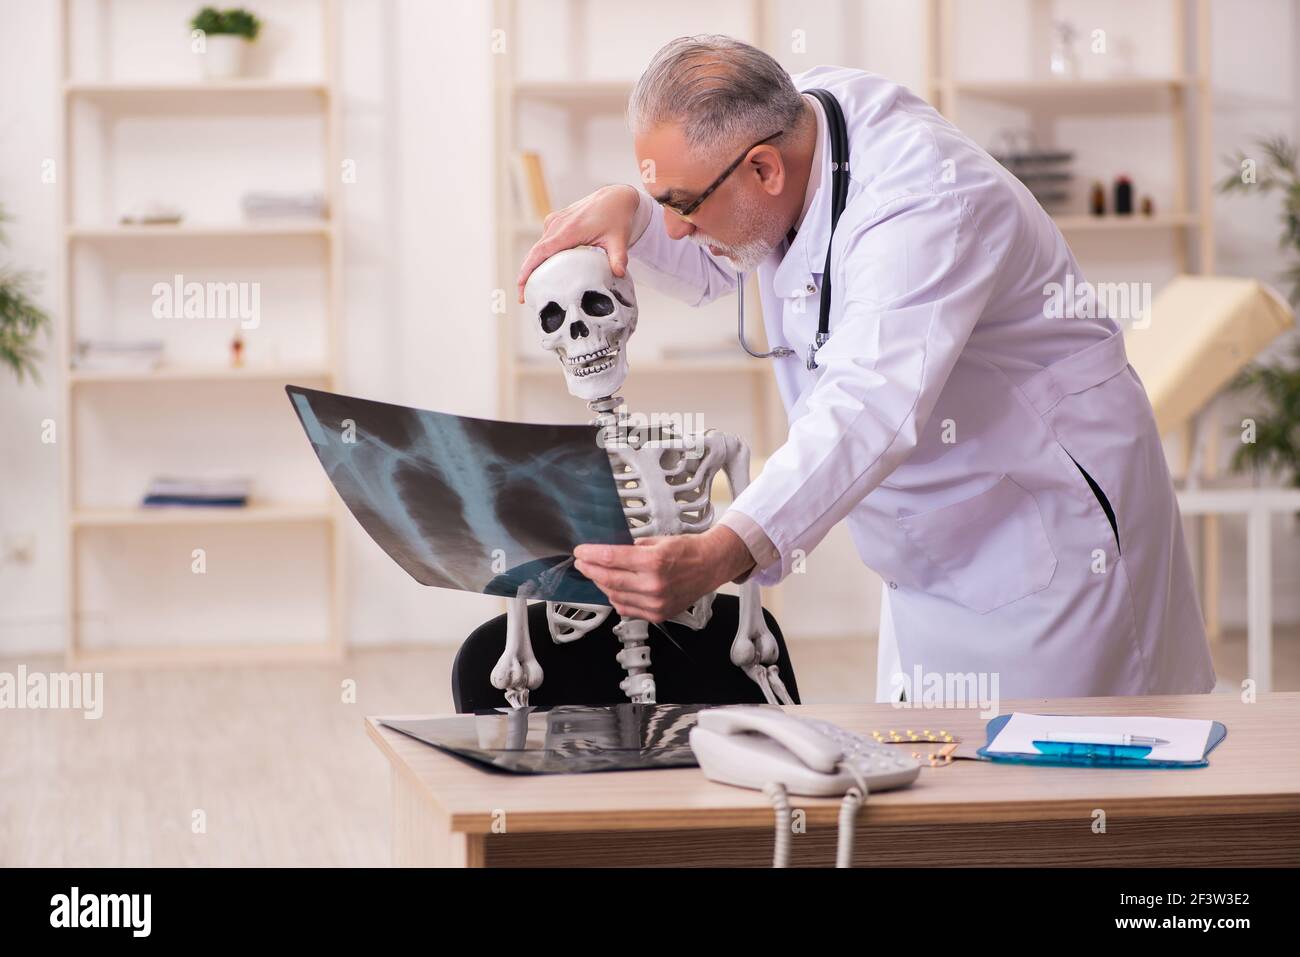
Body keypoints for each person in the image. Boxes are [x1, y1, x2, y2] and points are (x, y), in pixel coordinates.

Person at [516, 35, 1214, 699]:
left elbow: (868, 404)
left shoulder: (925, 204)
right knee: (940, 789)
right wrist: (632, 212)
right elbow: (726, 249)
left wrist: (724, 550)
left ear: (764, 168)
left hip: (1054, 535)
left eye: (683, 205)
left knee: (1071, 792)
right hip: (937, 543)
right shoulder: (797, 127)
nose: (674, 229)